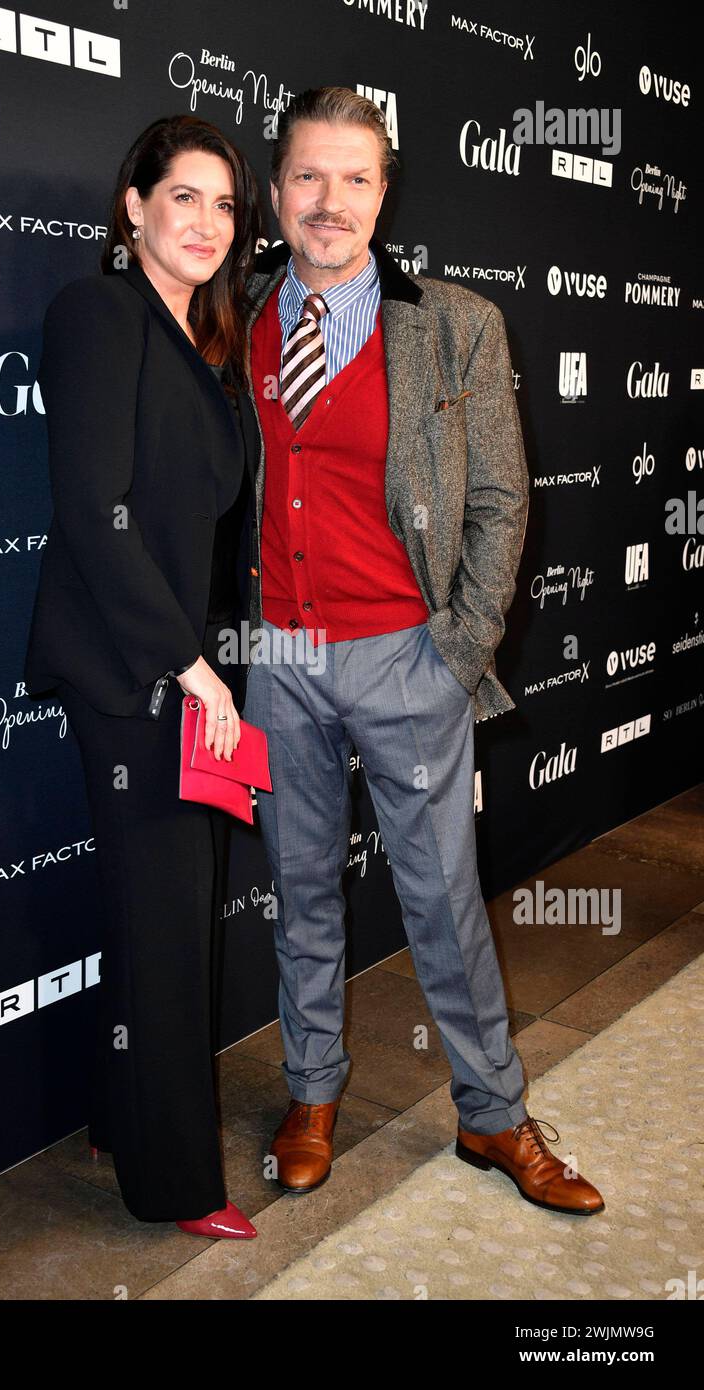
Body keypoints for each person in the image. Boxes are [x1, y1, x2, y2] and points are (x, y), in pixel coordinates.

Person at [241, 87, 604, 1215]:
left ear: (385, 191)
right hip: (276, 660)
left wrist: (458, 649)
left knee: (444, 900)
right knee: (300, 889)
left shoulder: (456, 321)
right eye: (308, 176)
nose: (329, 201)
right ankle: (310, 1094)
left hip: (407, 656)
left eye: (354, 178)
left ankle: (493, 1114)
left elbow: (502, 497)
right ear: (277, 188)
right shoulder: (240, 315)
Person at [24, 114, 262, 1238]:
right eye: (185, 197)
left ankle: (124, 1115)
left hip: (186, 672)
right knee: (168, 928)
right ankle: (175, 1185)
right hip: (136, 676)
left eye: (225, 205)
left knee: (168, 917)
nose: (208, 223)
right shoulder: (99, 313)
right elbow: (92, 513)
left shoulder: (200, 345)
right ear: (133, 206)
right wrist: (189, 668)